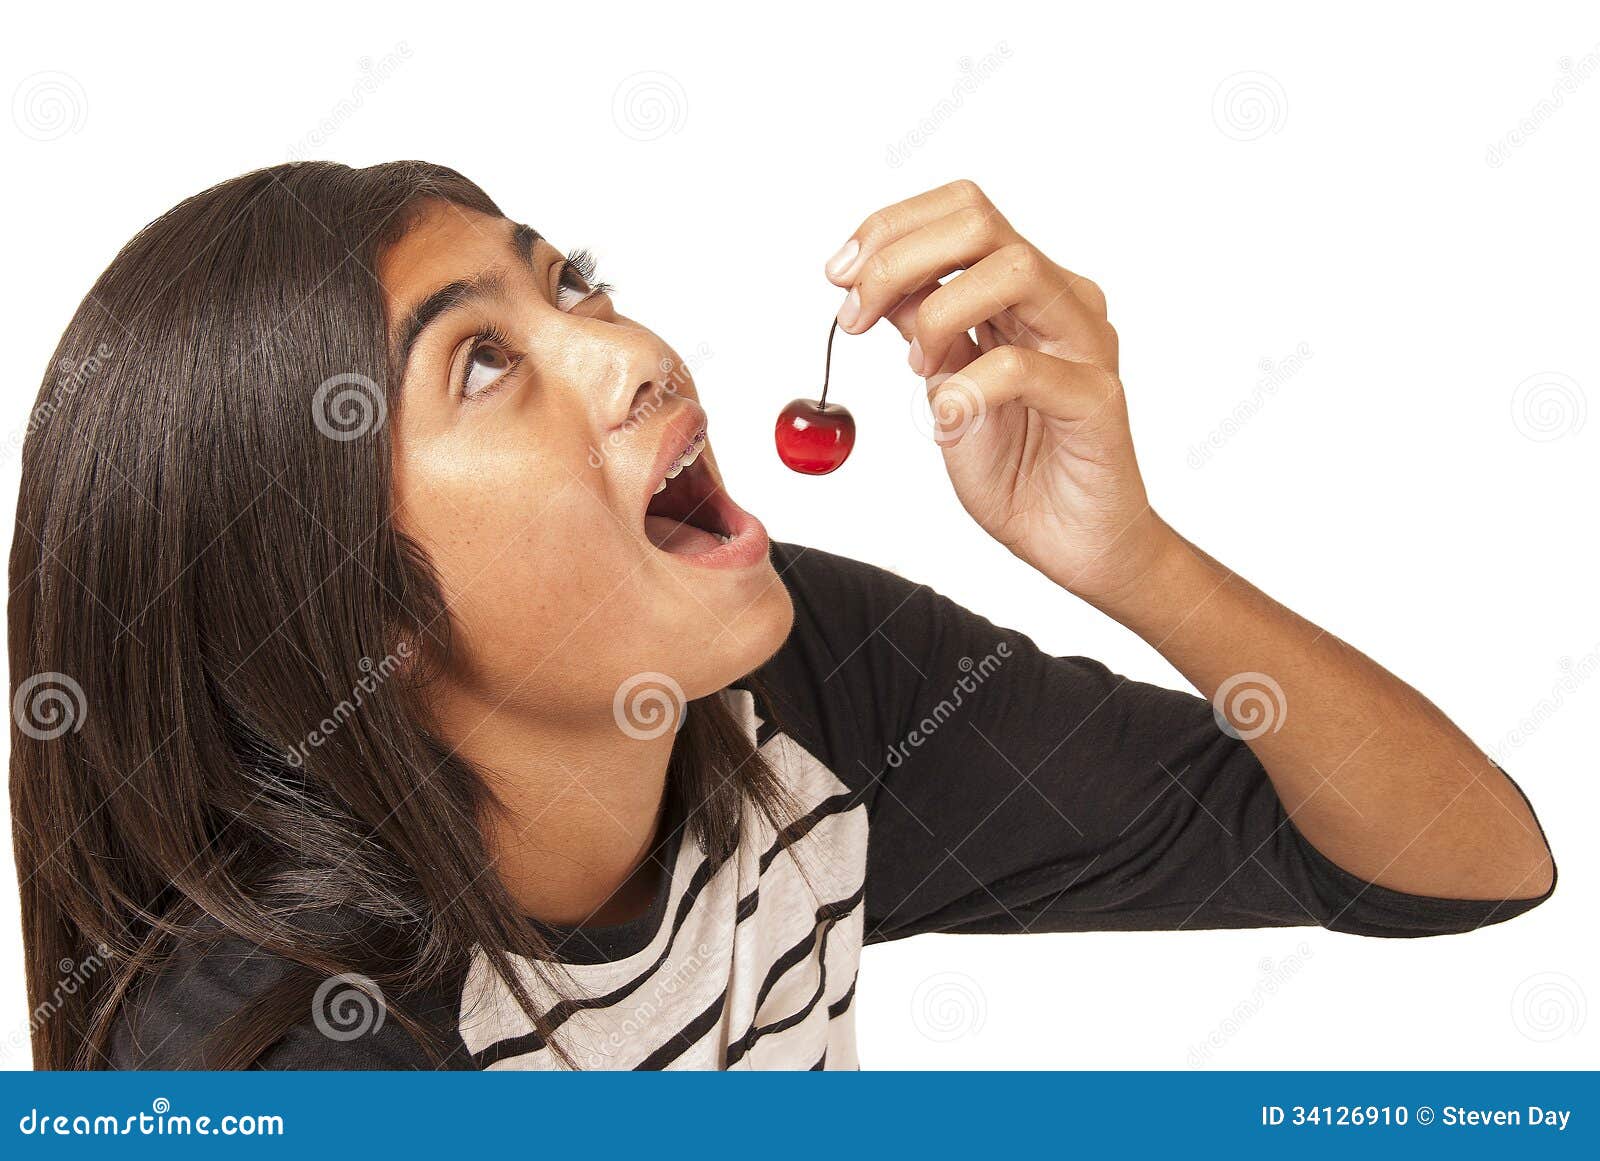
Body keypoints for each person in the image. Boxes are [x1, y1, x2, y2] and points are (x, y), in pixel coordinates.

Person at [8, 164, 1554, 1070]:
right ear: (341, 607)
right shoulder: (273, 1052)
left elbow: (1458, 863)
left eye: (576, 288)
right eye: (482, 361)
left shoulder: (810, 699)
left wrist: (1126, 552)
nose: (635, 356)